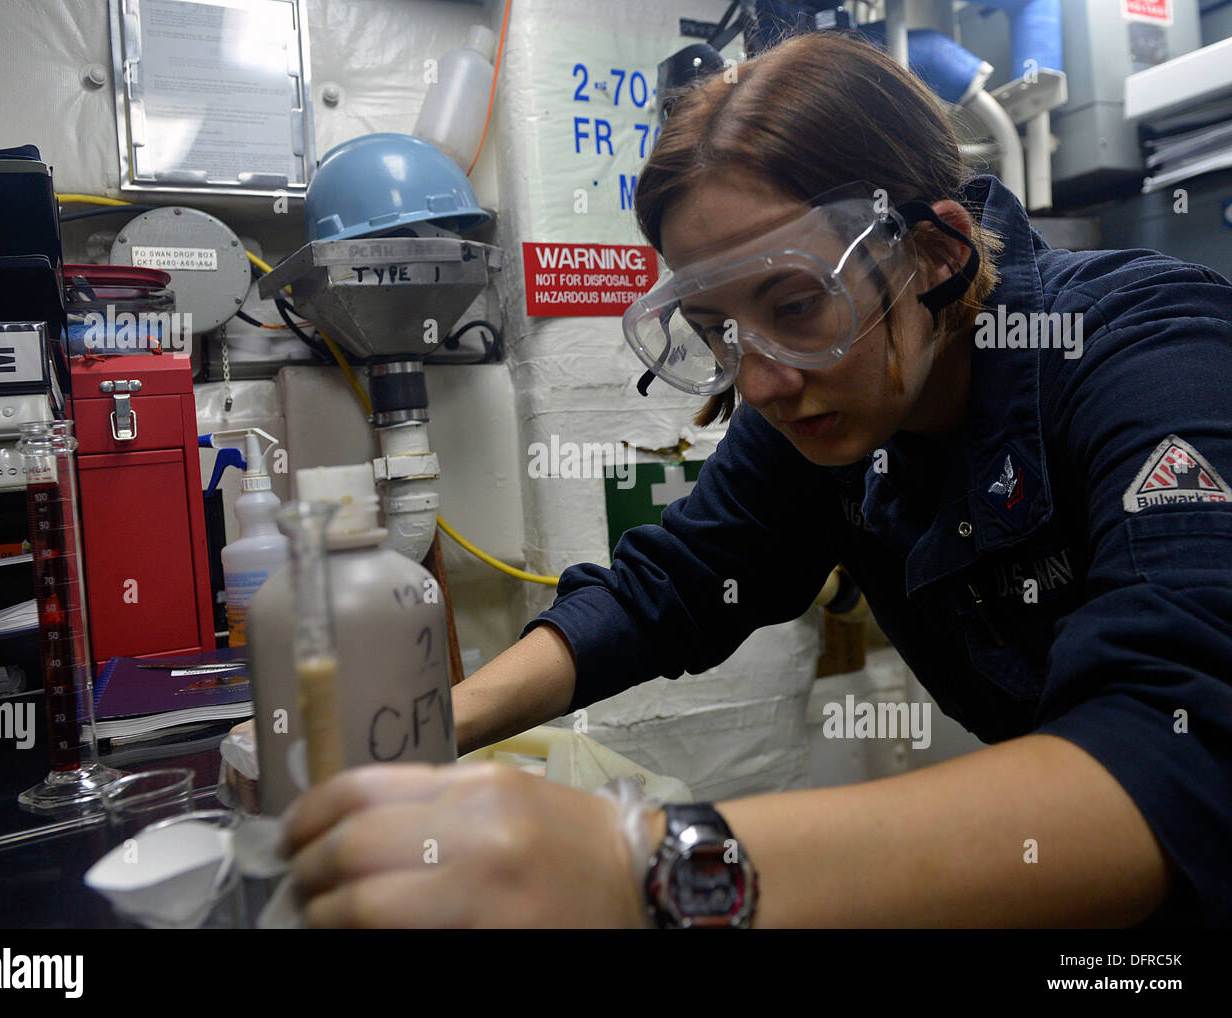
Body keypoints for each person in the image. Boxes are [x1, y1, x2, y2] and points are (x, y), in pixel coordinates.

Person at [282, 31, 1232, 928]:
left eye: (796, 305)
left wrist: (645, 867)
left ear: (935, 253)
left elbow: (1176, 760)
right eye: (715, 332)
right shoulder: (837, 411)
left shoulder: (1153, 356)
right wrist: (429, 729)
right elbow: (671, 588)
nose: (765, 382)